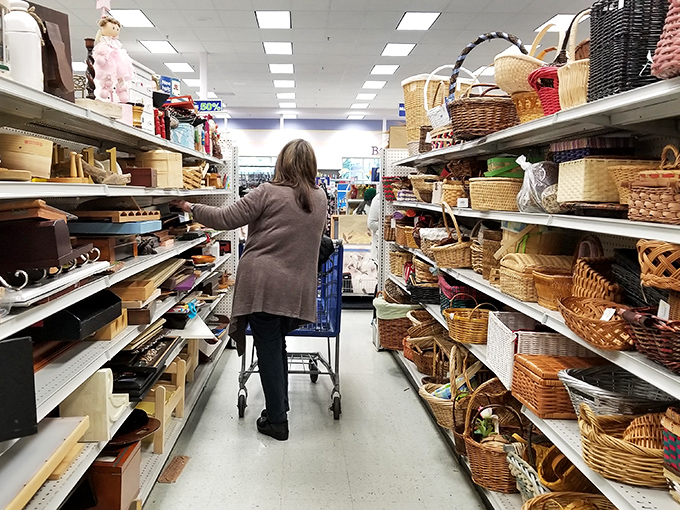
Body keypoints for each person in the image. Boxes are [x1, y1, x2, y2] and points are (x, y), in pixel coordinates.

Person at [170, 139, 327, 441]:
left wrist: (190, 207)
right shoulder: (319, 198)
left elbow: (224, 218)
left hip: (263, 285)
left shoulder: (267, 193)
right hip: (295, 288)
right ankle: (278, 408)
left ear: (282, 163)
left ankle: (278, 423)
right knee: (276, 345)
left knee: (268, 349)